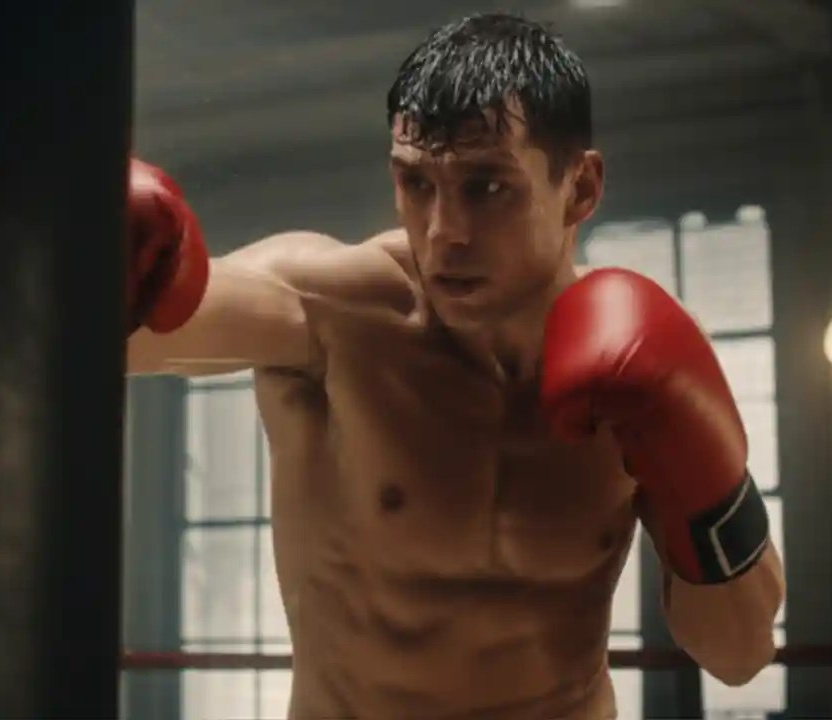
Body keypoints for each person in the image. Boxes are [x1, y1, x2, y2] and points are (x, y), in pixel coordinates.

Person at [126, 12, 784, 719]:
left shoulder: (639, 359)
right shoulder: (334, 310)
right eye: (416, 184)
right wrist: (122, 264)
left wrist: (706, 480)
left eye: (487, 187)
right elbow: (150, 334)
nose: (445, 233)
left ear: (582, 189)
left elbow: (738, 655)